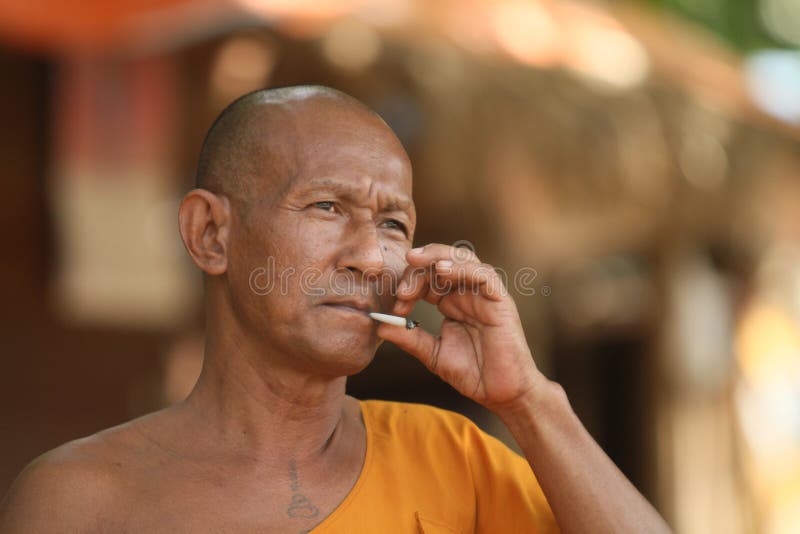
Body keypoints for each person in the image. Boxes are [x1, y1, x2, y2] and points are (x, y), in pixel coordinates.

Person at [0, 86, 671, 533]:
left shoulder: (455, 463)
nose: (373, 260)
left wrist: (529, 400)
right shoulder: (82, 500)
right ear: (211, 234)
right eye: (327, 207)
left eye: (394, 224)